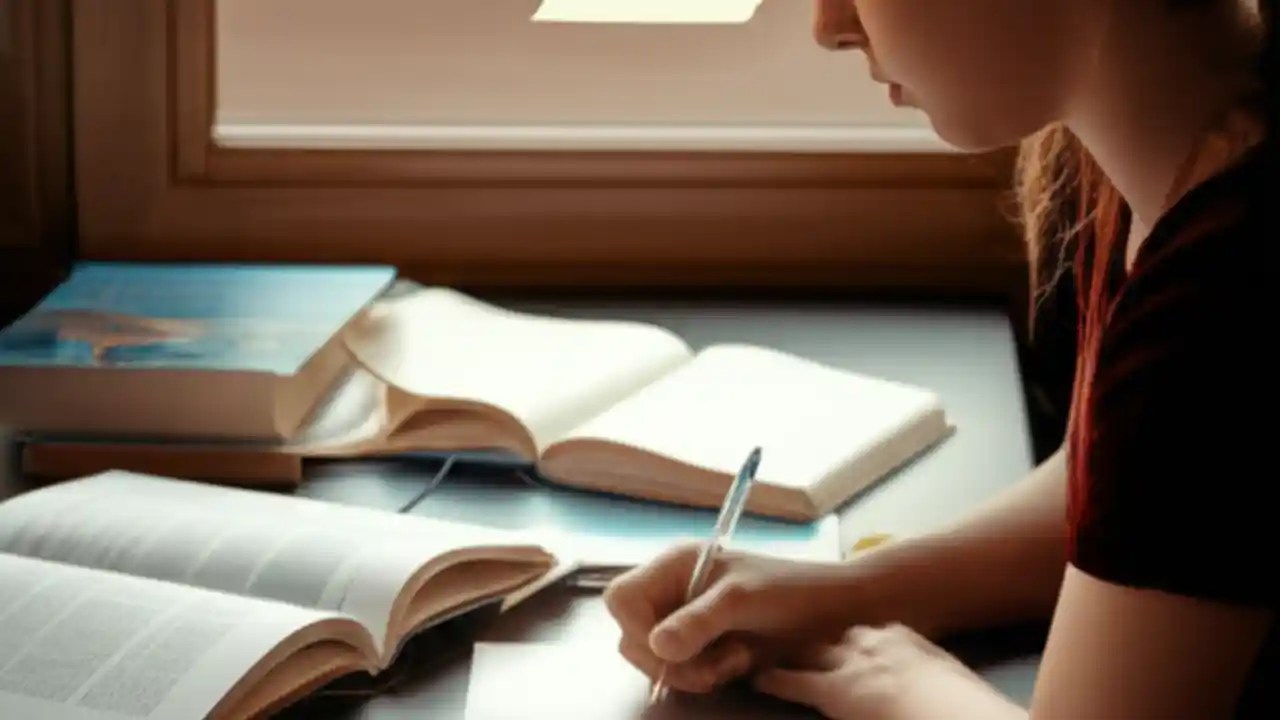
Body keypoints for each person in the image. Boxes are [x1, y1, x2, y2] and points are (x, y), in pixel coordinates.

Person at [604, 0, 1277, 717]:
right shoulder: (1173, 145)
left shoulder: (1235, 276)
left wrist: (911, 692)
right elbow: (1146, 492)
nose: (829, 25)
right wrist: (851, 593)